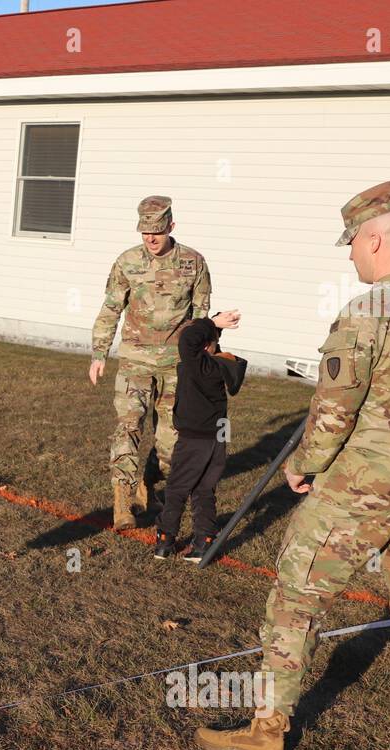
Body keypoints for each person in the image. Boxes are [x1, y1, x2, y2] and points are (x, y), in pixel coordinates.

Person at [195, 181, 390, 750]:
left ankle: (268, 728)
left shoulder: (366, 313)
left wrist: (302, 466)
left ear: (375, 238)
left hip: (358, 489)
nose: (350, 256)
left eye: (352, 244)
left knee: (295, 601)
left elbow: (334, 410)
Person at [89, 196, 241, 530]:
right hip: (134, 362)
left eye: (157, 232)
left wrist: (209, 355)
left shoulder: (193, 262)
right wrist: (99, 353)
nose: (151, 239)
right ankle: (122, 502)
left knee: (171, 438)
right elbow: (111, 308)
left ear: (171, 226)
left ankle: (149, 481)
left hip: (177, 365)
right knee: (129, 426)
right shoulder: (127, 262)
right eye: (145, 233)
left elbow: (201, 315)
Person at [154, 319, 246, 561]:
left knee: (176, 487)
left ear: (203, 346)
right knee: (204, 489)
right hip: (217, 437)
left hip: (194, 439)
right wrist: (216, 328)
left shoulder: (200, 364)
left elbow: (188, 341)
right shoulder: (219, 365)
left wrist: (212, 322)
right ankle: (204, 541)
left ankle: (165, 538)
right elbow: (195, 341)